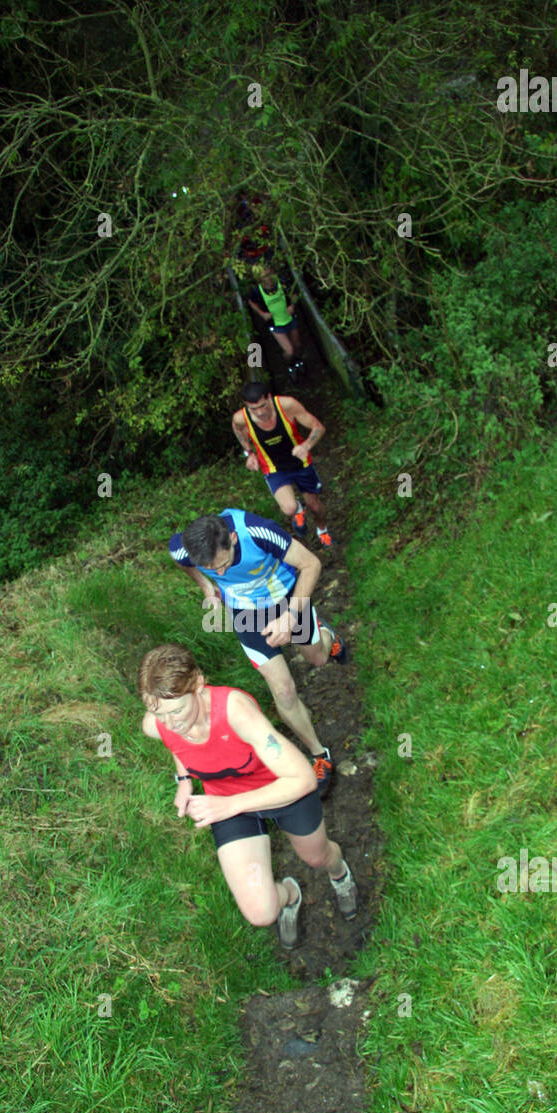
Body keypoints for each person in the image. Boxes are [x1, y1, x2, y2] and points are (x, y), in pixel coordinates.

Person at [139, 643, 359, 949]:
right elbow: (173, 740)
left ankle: (339, 872)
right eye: (159, 713)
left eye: (177, 710)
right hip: (227, 803)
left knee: (317, 857)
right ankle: (291, 895)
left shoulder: (235, 712)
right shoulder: (157, 724)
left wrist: (230, 805)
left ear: (199, 684)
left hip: (282, 791)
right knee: (261, 912)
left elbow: (304, 779)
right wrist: (184, 779)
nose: (171, 724)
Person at [167, 508, 348, 797]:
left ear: (233, 538)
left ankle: (326, 636)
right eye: (213, 570)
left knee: (318, 658)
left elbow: (311, 564)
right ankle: (319, 755)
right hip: (246, 613)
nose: (222, 573)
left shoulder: (257, 531)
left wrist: (290, 617)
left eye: (223, 565)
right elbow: (177, 558)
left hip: (287, 598)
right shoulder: (185, 547)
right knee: (283, 690)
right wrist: (207, 586)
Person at [232, 381, 333, 547]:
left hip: (300, 463)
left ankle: (322, 531)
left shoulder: (287, 405)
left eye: (263, 406)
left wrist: (306, 446)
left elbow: (318, 427)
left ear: (269, 398)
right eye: (253, 409)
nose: (260, 412)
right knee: (289, 508)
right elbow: (238, 430)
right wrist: (249, 453)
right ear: (246, 406)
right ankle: (298, 511)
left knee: (314, 506)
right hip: (274, 467)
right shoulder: (240, 418)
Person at [246, 267, 305, 382]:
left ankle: (298, 361)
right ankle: (291, 365)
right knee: (289, 350)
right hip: (276, 324)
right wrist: (262, 313)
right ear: (259, 279)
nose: (268, 279)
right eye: (264, 277)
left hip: (289, 318)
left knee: (297, 344)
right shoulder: (257, 291)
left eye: (269, 274)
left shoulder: (281, 282)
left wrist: (292, 304)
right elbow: (251, 302)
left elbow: (293, 292)